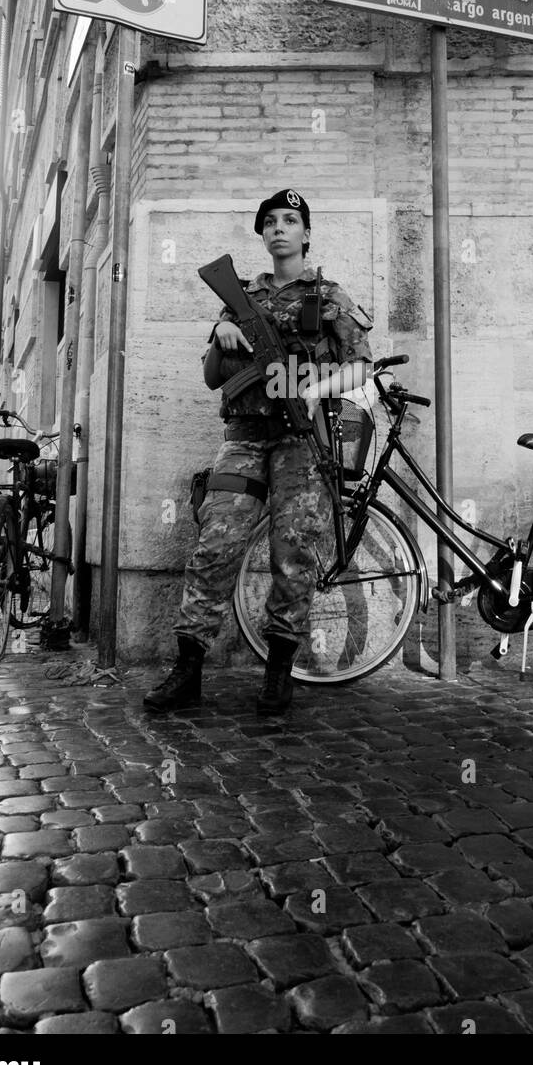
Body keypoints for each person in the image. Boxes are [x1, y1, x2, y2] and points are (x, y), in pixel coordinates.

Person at [144, 188, 373, 716]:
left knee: (293, 555)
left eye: (290, 220)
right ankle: (189, 668)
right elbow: (211, 376)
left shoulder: (331, 295)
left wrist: (315, 389)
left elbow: (363, 365)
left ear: (306, 234)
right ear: (263, 234)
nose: (279, 228)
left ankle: (278, 672)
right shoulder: (241, 297)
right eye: (270, 221)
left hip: (302, 441)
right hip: (244, 437)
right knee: (214, 547)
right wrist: (220, 328)